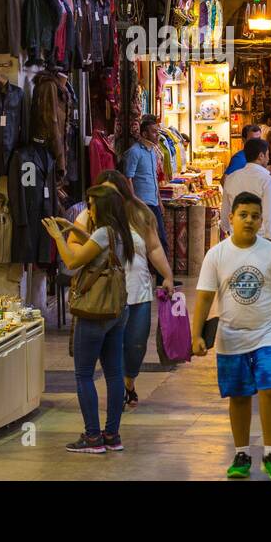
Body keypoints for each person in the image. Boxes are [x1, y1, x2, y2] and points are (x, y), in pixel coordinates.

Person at [191, 191, 271, 479]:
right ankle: (242, 453)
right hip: (230, 336)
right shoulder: (217, 255)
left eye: (255, 216)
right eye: (243, 215)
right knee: (238, 396)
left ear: (262, 220)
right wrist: (196, 335)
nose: (249, 221)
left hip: (268, 333)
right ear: (231, 218)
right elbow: (203, 297)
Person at [42, 185, 137, 453]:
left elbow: (72, 261)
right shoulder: (120, 231)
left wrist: (58, 237)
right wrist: (72, 228)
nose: (89, 209)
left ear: (102, 208)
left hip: (94, 311)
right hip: (116, 310)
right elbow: (97, 246)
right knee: (114, 373)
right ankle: (112, 435)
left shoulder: (103, 232)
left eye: (92, 204)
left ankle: (93, 437)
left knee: (84, 374)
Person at [76, 170, 176, 407]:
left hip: (138, 292)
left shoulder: (140, 214)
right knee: (112, 349)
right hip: (105, 296)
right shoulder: (87, 216)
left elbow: (153, 248)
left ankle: (128, 381)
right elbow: (76, 248)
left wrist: (168, 276)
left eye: (115, 191)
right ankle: (118, 391)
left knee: (135, 346)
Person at [123, 116, 168, 256]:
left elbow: (154, 178)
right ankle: (160, 276)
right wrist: (134, 201)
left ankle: (163, 277)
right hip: (142, 203)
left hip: (153, 202)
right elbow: (128, 178)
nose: (157, 135)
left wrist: (159, 201)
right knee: (148, 241)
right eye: (154, 132)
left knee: (160, 239)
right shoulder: (135, 152)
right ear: (144, 134)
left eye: (157, 131)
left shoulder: (152, 152)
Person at [222, 138, 271, 241]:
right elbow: (269, 214)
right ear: (261, 156)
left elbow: (225, 211)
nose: (268, 159)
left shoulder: (231, 178)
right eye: (267, 155)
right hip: (259, 239)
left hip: (235, 237)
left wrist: (227, 229)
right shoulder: (267, 180)